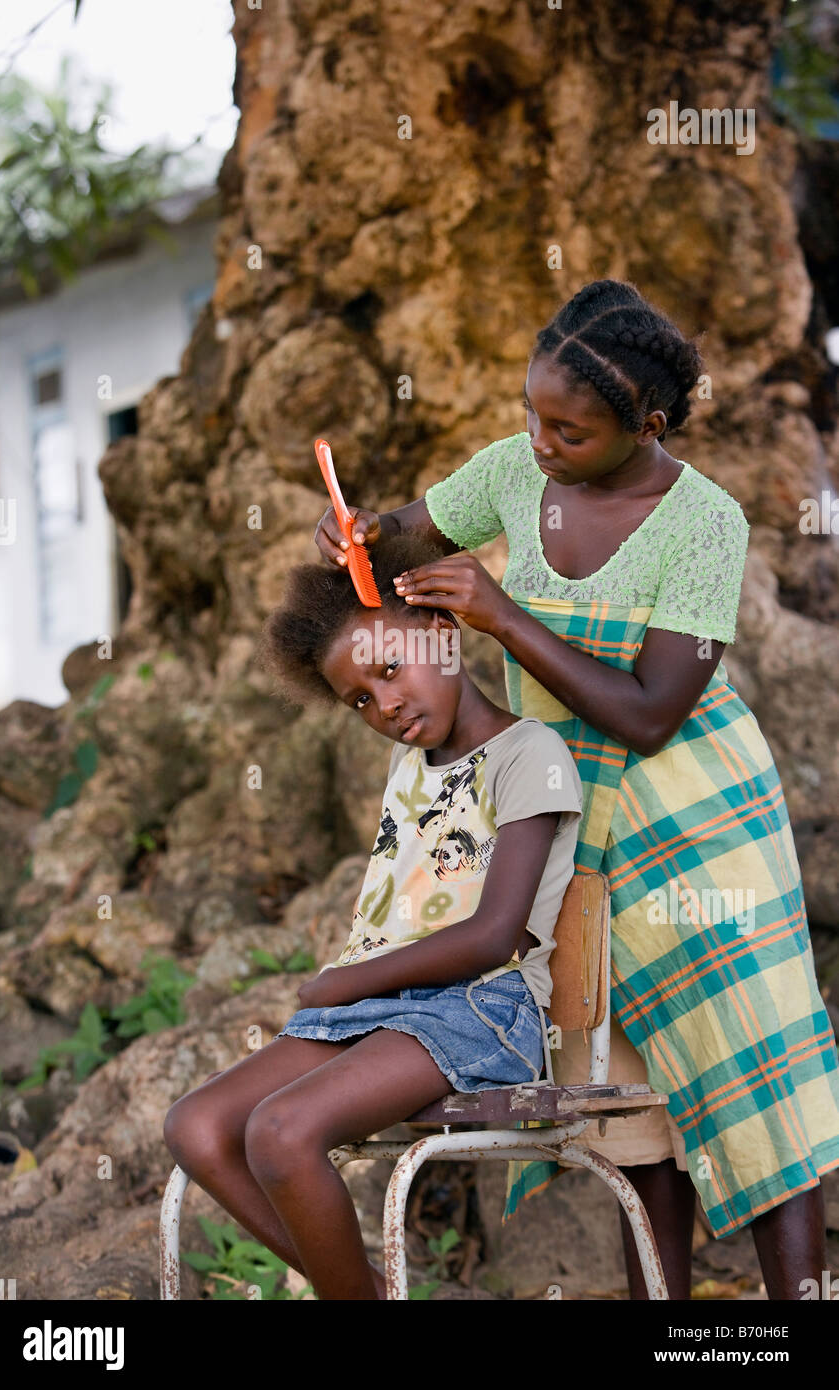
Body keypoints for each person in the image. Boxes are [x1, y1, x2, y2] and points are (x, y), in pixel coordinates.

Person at [313, 278, 839, 1300]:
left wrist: (504, 618)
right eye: (531, 417)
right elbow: (411, 533)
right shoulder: (516, 471)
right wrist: (364, 533)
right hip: (569, 830)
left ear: (644, 426)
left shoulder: (703, 523)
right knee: (630, 1106)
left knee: (751, 1088)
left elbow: (650, 711)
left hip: (697, 831)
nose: (541, 444)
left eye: (570, 431)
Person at [163, 531, 583, 1301]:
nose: (384, 704)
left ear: (443, 636)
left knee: (282, 1132)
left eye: (390, 671)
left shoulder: (531, 755)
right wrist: (356, 989)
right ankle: (363, 1290)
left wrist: (341, 982)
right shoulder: (407, 766)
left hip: (480, 1009)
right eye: (360, 698)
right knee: (196, 1128)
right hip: (379, 1008)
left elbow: (495, 934)